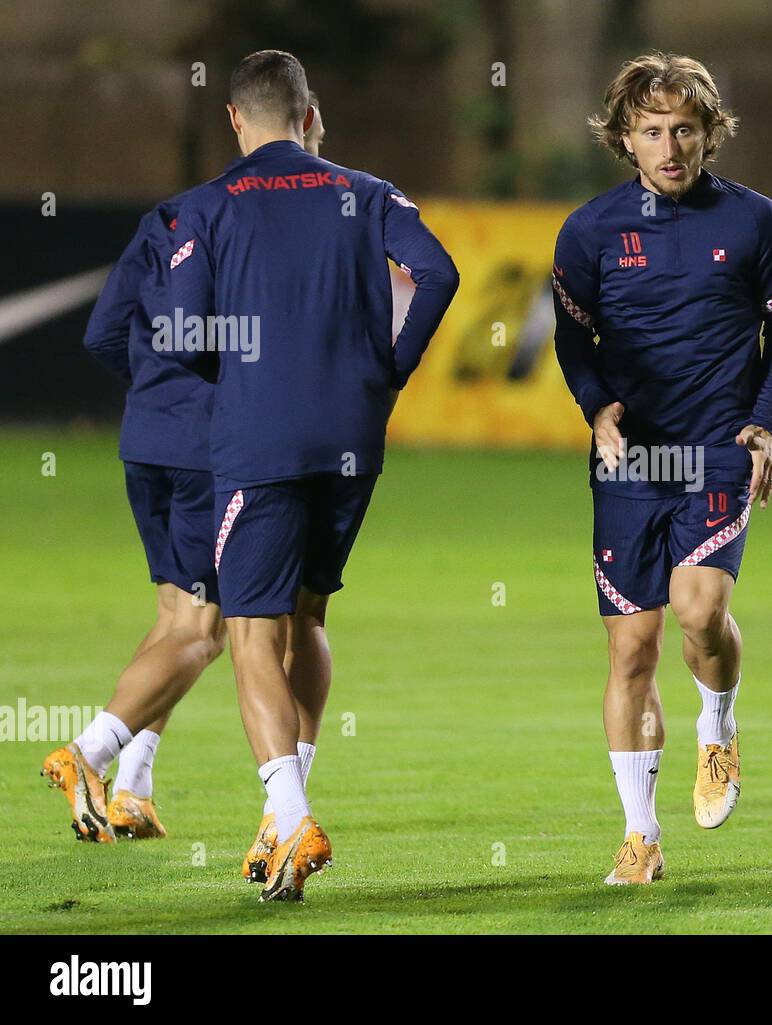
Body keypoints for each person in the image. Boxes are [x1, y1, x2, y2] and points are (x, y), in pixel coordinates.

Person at [168, 50, 459, 901]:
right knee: (308, 613)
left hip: (260, 440)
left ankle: (289, 812)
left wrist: (243, 379)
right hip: (351, 436)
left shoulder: (211, 203)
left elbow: (184, 335)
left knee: (249, 629)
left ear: (234, 119)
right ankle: (285, 812)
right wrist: (389, 368)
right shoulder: (364, 193)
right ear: (307, 111)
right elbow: (439, 272)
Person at [552, 51, 772, 884]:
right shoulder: (588, 231)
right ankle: (640, 835)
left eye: (685, 129)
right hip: (630, 464)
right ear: (625, 136)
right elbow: (570, 336)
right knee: (631, 651)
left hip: (715, 453)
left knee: (699, 613)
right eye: (653, 130)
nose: (670, 146)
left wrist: (765, 427)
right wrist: (596, 406)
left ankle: (719, 725)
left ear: (710, 133)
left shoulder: (755, 222)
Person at [43, 191, 225, 843]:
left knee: (175, 619)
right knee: (205, 631)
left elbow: (100, 334)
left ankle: (133, 790)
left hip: (144, 445)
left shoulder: (160, 223)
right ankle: (87, 755)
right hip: (205, 451)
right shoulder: (242, 225)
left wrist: (154, 383)